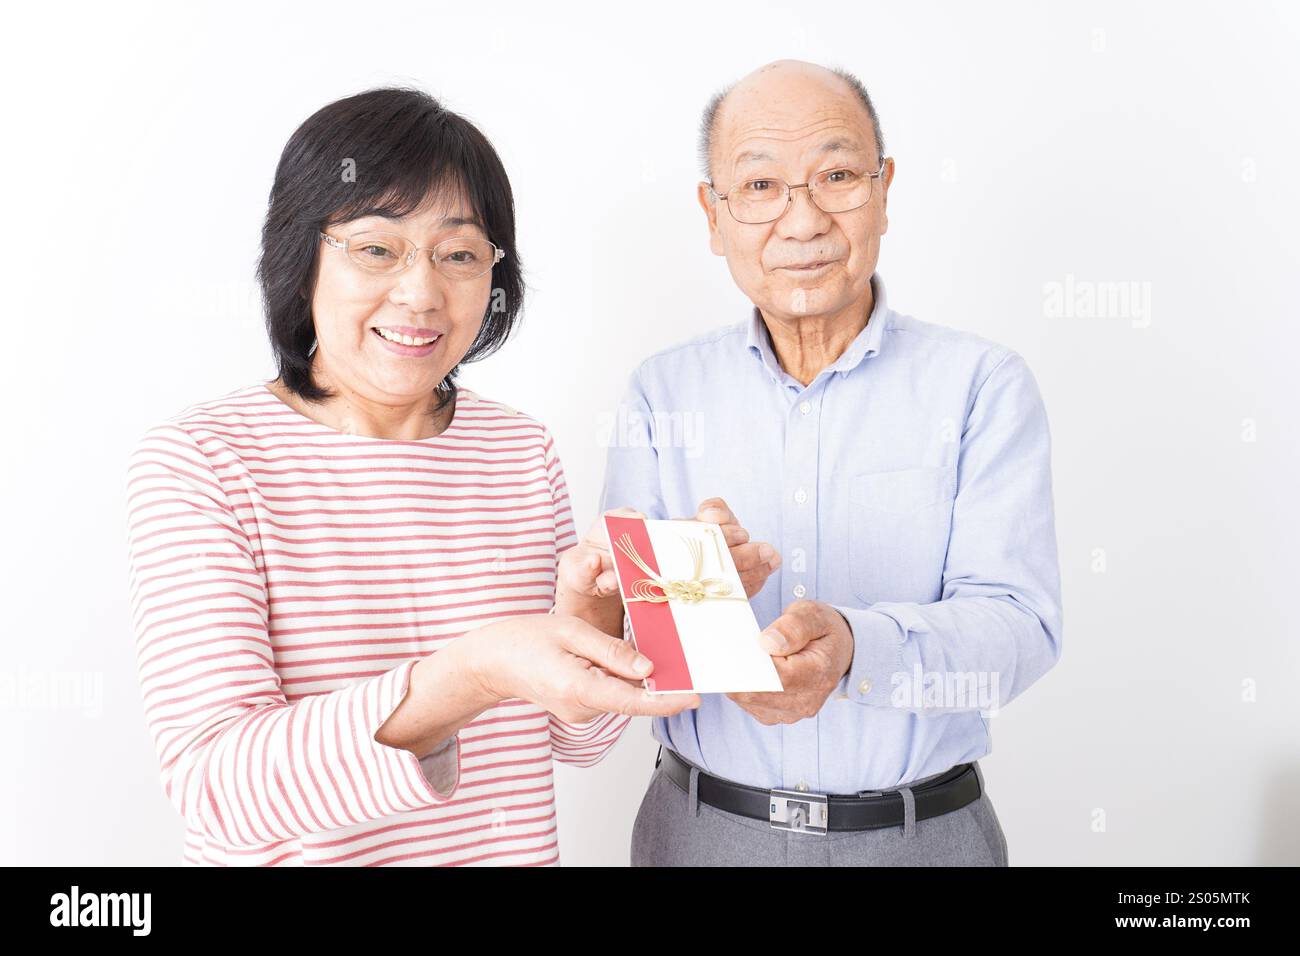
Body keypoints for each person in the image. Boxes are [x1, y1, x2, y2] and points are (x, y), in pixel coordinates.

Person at [124, 87, 775, 866]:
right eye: (376, 248)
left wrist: (597, 612)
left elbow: (576, 741)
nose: (421, 292)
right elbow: (217, 787)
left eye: (459, 254)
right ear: (301, 259)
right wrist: (471, 674)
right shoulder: (203, 462)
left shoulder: (516, 449)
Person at [601, 60, 1063, 866]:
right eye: (761, 186)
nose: (803, 219)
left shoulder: (981, 385)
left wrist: (855, 648)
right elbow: (625, 645)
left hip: (922, 841)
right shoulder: (661, 391)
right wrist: (701, 592)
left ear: (885, 189)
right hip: (700, 835)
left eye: (837, 175)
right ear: (713, 216)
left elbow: (1021, 630)